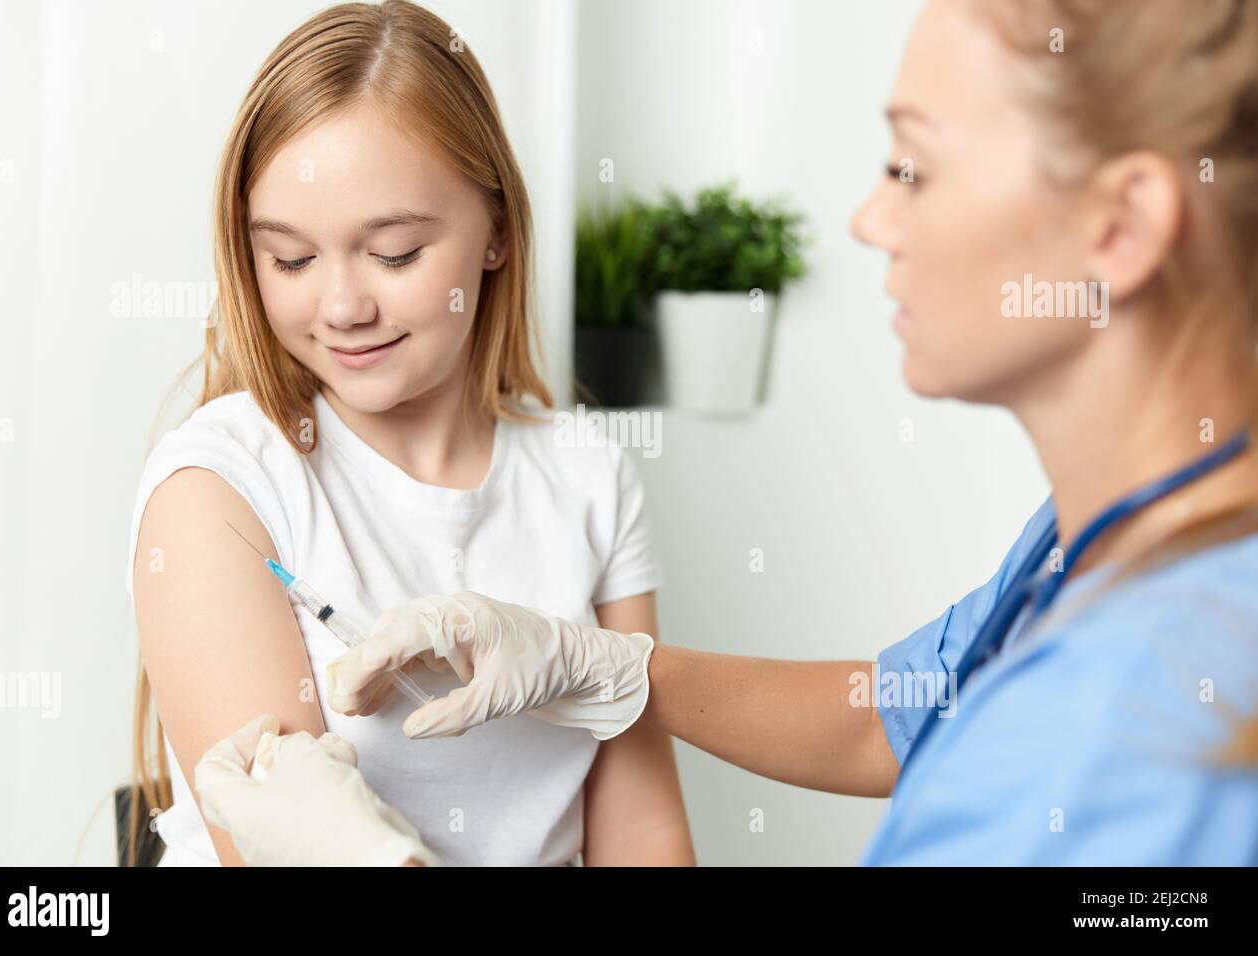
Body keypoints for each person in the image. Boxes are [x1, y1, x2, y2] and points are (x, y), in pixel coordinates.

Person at [197, 0, 1258, 866]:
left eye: (911, 167)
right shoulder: (1100, 547)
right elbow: (896, 710)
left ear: (1117, 228)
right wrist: (606, 667)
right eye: (290, 257)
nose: (866, 219)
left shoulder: (1162, 699)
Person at [128, 0, 694, 867]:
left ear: (497, 230)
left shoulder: (588, 475)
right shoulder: (222, 488)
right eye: (290, 259)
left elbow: (646, 842)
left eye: (393, 253)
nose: (345, 307)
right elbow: (279, 847)